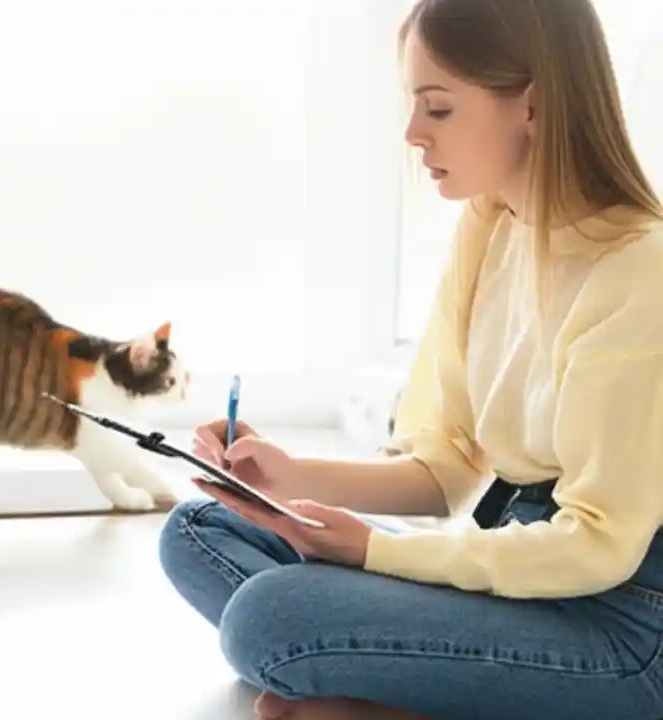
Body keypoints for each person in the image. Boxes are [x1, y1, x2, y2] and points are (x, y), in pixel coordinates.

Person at [158, 0, 663, 718]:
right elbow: (450, 466)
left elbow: (599, 547)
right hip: (520, 560)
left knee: (268, 619)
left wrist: (373, 555)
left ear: (534, 104)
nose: (411, 134)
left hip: (629, 623)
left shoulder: (639, 266)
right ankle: (412, 688)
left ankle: (409, 689)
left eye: (438, 108)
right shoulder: (491, 225)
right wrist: (290, 478)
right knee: (199, 533)